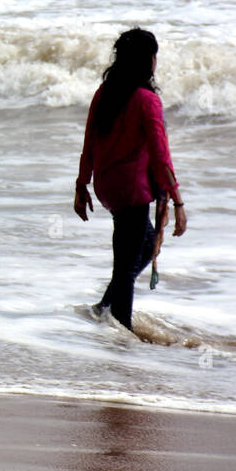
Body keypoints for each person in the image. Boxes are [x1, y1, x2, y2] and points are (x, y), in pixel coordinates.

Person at [74, 27, 186, 331]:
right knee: (126, 265)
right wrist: (177, 201)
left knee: (146, 244)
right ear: (148, 61)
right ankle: (122, 336)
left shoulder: (105, 93)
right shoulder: (147, 100)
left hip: (107, 186)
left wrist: (81, 185)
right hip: (132, 191)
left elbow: (90, 142)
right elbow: (161, 156)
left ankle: (105, 306)